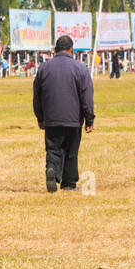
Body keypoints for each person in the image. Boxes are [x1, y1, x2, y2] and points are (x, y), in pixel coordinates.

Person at [33, 35, 96, 192]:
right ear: (71, 50)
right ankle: (68, 183)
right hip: (74, 119)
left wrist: (40, 117)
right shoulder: (80, 68)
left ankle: (52, 169)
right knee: (71, 151)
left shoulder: (43, 68)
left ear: (55, 50)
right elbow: (87, 96)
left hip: (52, 118)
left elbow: (37, 96)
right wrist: (89, 119)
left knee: (53, 149)